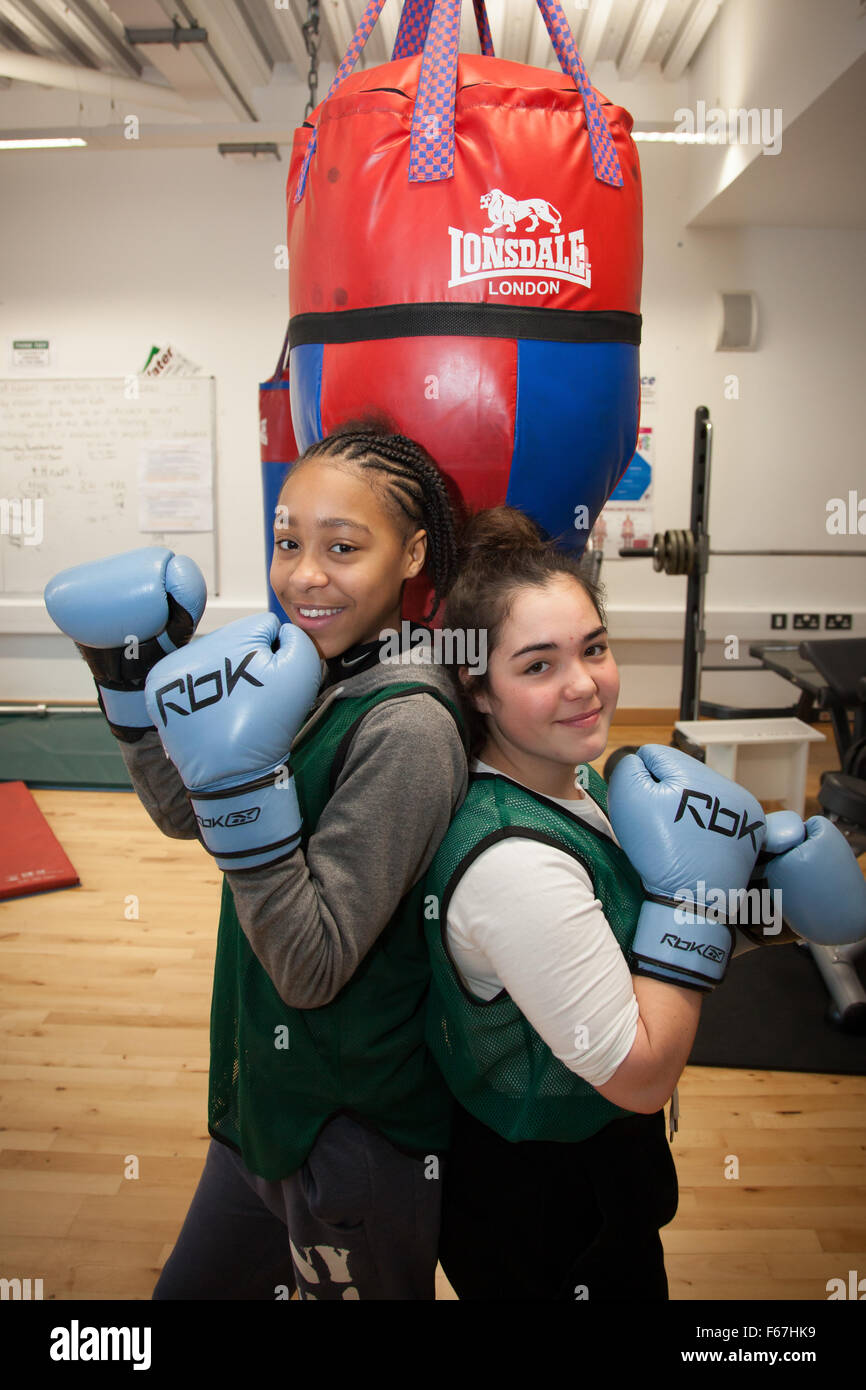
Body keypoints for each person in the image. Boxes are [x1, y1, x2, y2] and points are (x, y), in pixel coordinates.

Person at [44, 418, 469, 1301]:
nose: (305, 573)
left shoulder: (408, 725)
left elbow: (312, 966)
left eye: (343, 546)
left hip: (352, 1132)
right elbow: (181, 814)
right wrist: (128, 684)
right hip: (261, 1100)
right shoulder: (308, 667)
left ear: (413, 552)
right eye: (288, 541)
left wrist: (244, 796)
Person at [420, 505, 866, 1302]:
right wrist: (696, 902)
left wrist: (769, 906)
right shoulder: (515, 865)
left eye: (593, 648)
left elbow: (631, 938)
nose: (584, 683)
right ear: (477, 689)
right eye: (537, 665)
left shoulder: (578, 783)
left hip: (595, 1169)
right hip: (541, 1203)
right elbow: (640, 1074)